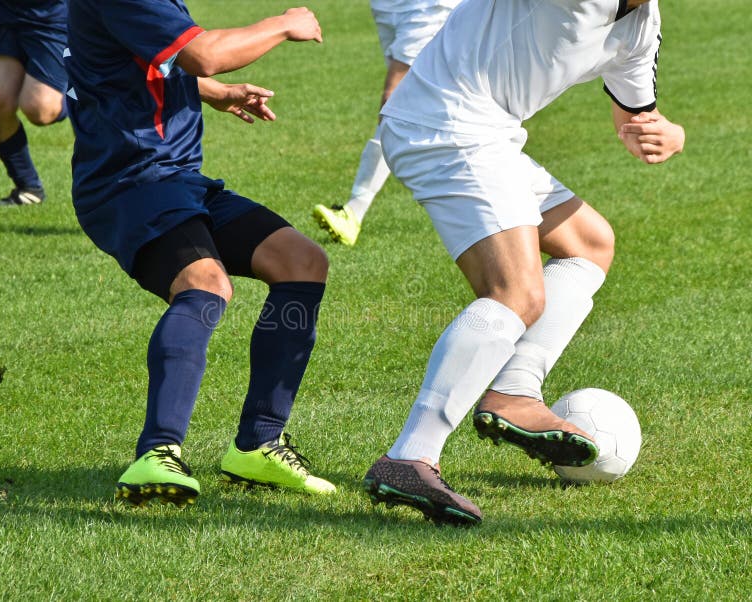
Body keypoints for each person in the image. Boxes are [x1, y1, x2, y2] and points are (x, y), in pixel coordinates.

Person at [363, 0, 685, 525]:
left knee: (590, 244)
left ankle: (513, 391)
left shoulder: (641, 25)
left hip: (489, 136)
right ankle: (410, 456)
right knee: (517, 292)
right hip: (445, 124)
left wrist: (668, 133)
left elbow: (635, 118)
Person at [65, 0, 335, 507]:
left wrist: (213, 92)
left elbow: (146, 61)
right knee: (205, 283)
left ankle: (258, 445)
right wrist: (282, 25)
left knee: (302, 262)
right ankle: (157, 451)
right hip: (130, 183)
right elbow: (204, 53)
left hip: (178, 179)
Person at [312, 0, 462, 246]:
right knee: (419, 104)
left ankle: (354, 211)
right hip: (387, 7)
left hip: (428, 8)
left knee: (394, 101)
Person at [0, 0, 69, 207]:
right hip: (5, 13)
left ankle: (82, 95)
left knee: (41, 110)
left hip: (54, 16)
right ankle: (28, 187)